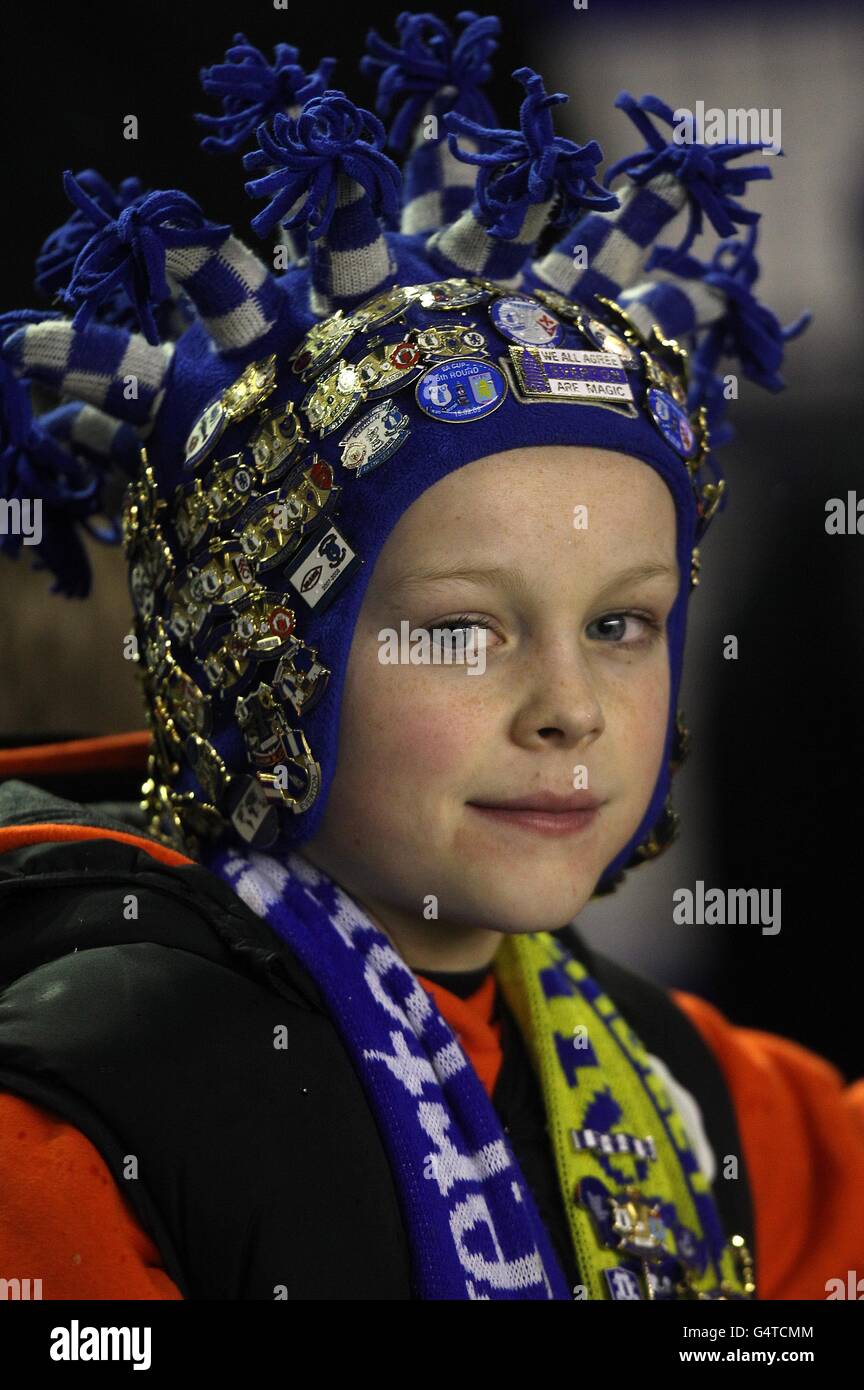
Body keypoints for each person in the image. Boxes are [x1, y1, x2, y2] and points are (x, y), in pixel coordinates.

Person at [0, 13, 861, 1302]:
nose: (570, 710)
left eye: (621, 626)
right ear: (260, 657)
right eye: (462, 630)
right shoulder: (79, 1114)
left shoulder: (707, 1102)